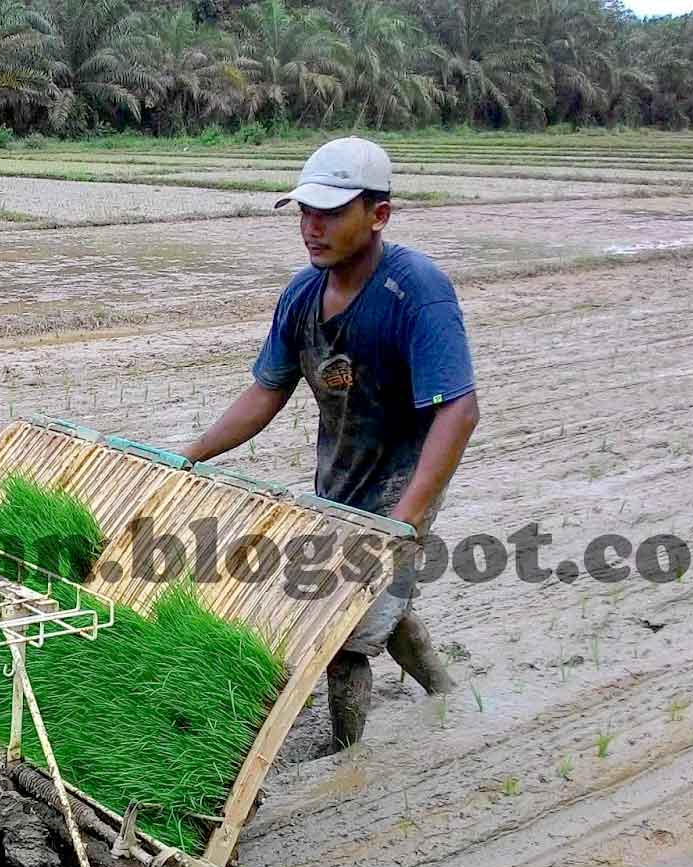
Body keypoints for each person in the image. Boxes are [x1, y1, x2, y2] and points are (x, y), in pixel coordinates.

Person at [181, 137, 479, 752]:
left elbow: (459, 410)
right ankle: (445, 691)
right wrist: (187, 455)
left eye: (331, 213)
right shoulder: (301, 296)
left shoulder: (416, 292)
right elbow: (265, 394)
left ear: (378, 214)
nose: (313, 229)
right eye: (304, 213)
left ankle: (343, 757)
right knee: (379, 609)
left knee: (340, 625)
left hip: (406, 473)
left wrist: (406, 519)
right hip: (340, 473)